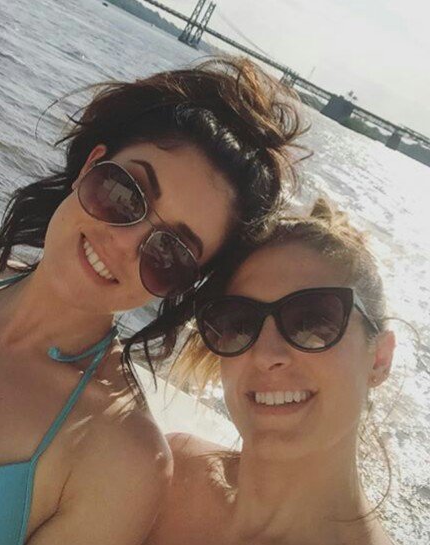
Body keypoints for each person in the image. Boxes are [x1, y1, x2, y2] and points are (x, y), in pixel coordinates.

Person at [0, 57, 304, 544]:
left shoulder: (118, 458)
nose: (124, 243)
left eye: (170, 252)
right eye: (125, 193)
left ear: (184, 285)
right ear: (90, 167)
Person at [147, 198, 397, 545]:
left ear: (380, 359)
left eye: (312, 322)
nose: (266, 355)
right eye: (240, 324)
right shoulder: (169, 471)